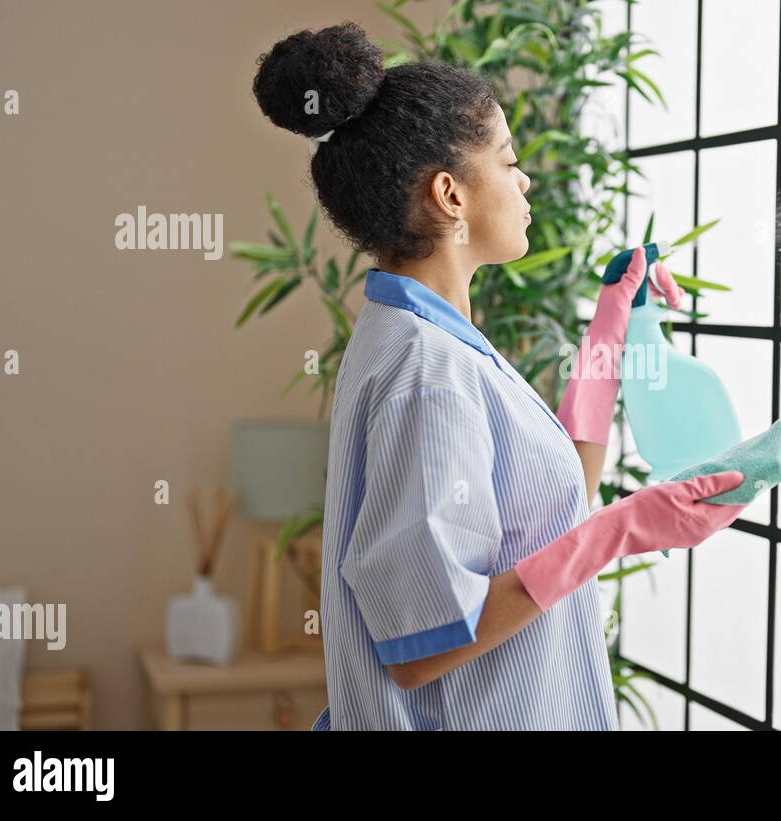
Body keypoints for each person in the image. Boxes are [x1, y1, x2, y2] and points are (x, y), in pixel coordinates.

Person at [251, 22, 749, 730]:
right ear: (450, 194)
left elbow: (557, 504)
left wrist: (611, 327)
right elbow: (421, 644)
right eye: (508, 160)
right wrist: (624, 530)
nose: (526, 180)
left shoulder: (429, 336)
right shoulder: (427, 373)